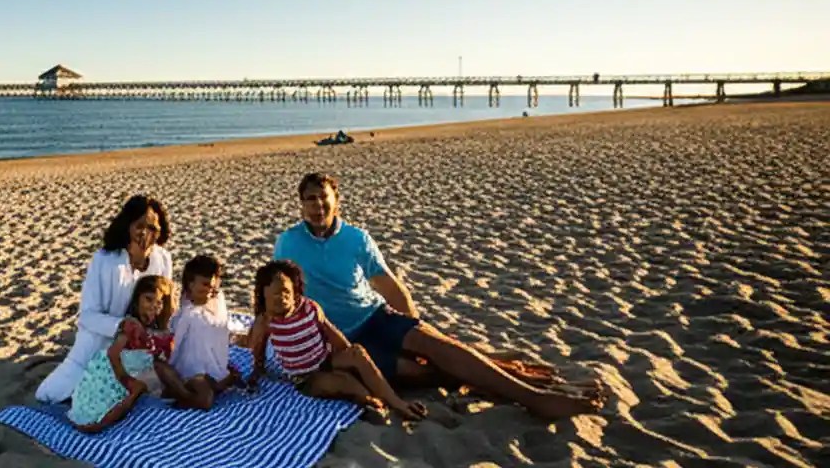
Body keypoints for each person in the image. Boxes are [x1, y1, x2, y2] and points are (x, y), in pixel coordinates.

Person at [274, 173, 605, 421]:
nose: (318, 206)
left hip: (374, 316)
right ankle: (510, 372)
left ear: (337, 199)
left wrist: (417, 326)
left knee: (434, 346)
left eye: (323, 198)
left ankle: (534, 397)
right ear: (301, 204)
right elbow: (277, 295)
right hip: (339, 338)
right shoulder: (287, 243)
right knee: (420, 373)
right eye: (311, 199)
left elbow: (389, 287)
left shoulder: (356, 238)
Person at [247, 260, 427, 424]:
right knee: (344, 382)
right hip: (306, 378)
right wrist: (257, 370)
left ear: (295, 292)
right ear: (264, 298)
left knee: (357, 353)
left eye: (286, 293)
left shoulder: (310, 308)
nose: (281, 299)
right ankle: (372, 402)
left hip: (326, 359)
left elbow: (331, 332)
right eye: (274, 297)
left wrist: (349, 357)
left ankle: (396, 401)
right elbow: (258, 348)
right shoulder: (265, 322)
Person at [35, 195, 174, 403]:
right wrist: (122, 325)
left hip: (143, 347)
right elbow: (87, 317)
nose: (145, 234)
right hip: (99, 345)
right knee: (50, 395)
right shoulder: (104, 260)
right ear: (127, 226)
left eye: (153, 228)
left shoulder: (162, 259)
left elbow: (166, 308)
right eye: (139, 226)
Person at [68, 275, 176, 431]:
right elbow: (113, 353)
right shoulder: (131, 326)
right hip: (116, 371)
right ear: (137, 300)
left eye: (159, 302)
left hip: (134, 370)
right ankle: (100, 423)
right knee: (135, 390)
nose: (154, 306)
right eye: (148, 299)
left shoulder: (156, 331)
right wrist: (126, 380)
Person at [168, 255, 240, 409]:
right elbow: (175, 344)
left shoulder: (217, 300)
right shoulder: (186, 314)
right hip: (191, 371)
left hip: (216, 368)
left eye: (213, 285)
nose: (210, 289)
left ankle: (218, 382)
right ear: (190, 285)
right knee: (204, 396)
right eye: (205, 284)